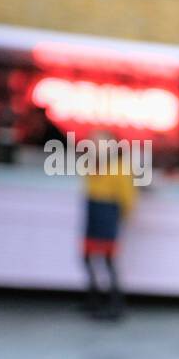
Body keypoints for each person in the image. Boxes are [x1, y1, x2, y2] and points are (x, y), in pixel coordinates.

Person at [80, 129, 136, 320]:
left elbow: (128, 198)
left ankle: (115, 303)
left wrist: (121, 217)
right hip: (94, 214)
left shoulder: (120, 168)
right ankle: (94, 297)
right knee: (87, 257)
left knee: (108, 260)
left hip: (107, 216)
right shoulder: (93, 165)